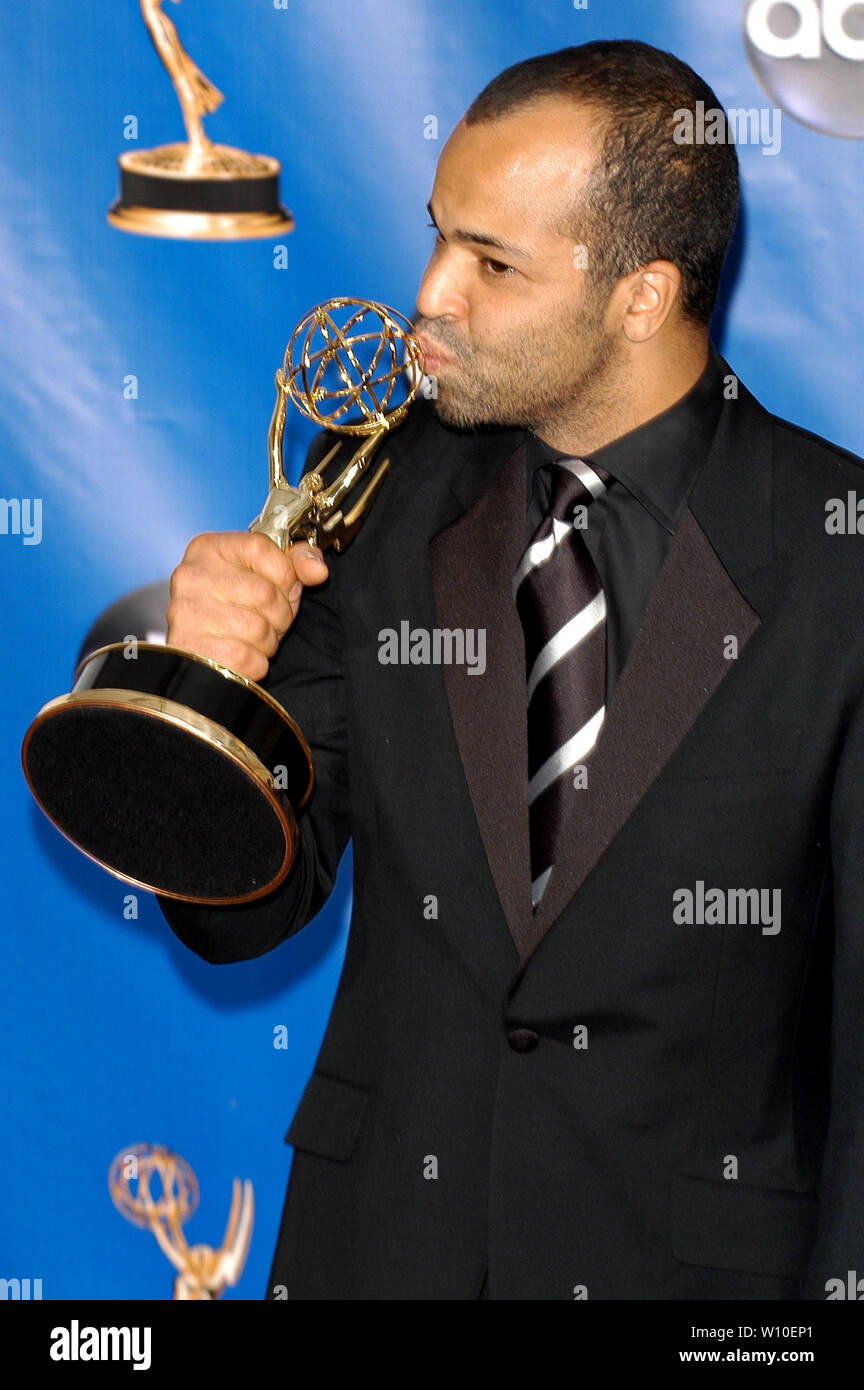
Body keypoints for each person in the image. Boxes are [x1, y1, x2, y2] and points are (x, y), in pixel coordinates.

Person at [157, 41, 864, 1299]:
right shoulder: (375, 482)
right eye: (439, 235)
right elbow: (245, 913)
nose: (431, 293)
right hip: (378, 1255)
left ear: (642, 297)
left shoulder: (835, 555)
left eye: (492, 262)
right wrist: (206, 694)